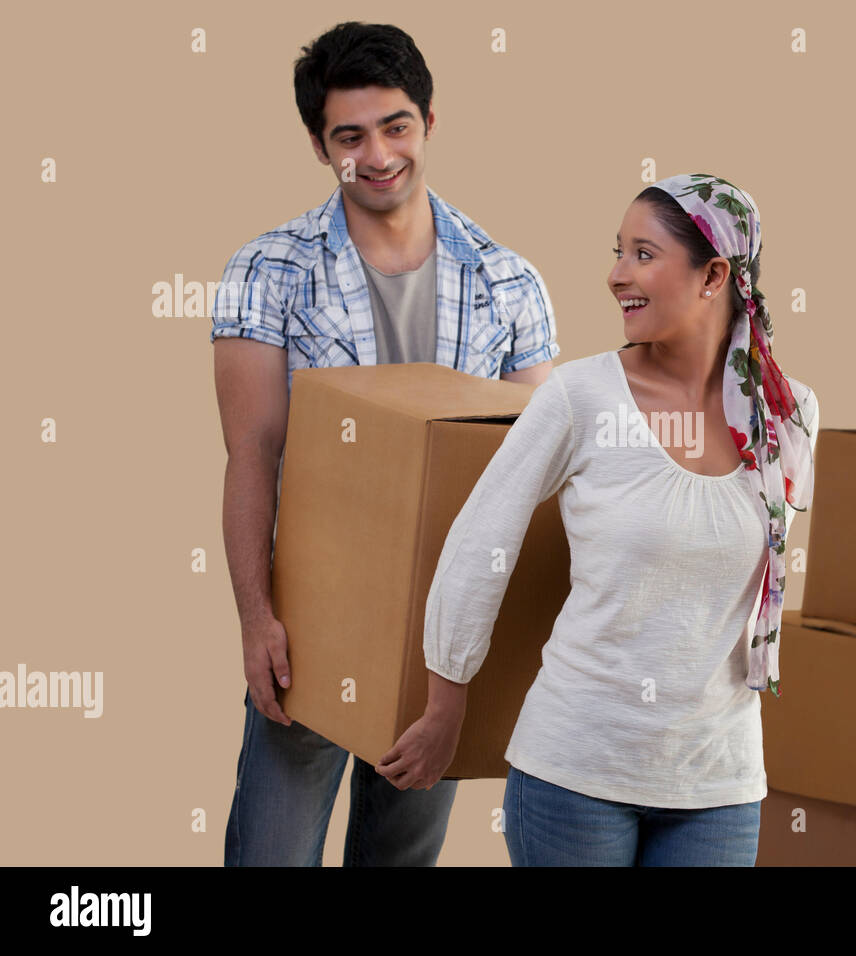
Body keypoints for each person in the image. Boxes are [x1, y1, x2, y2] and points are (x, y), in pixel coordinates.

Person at [375, 173, 820, 866]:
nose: (616, 276)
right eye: (618, 253)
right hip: (574, 775)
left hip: (719, 780)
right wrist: (445, 707)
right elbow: (479, 540)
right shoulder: (581, 397)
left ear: (713, 275)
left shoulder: (788, 415)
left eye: (643, 255)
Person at [210, 21, 560, 866]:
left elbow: (533, 474)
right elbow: (251, 451)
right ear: (319, 145)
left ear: (430, 122)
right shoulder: (268, 270)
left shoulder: (507, 280)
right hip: (313, 615)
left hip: (445, 631)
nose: (377, 154)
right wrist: (256, 618)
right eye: (350, 136)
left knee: (400, 857)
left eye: (396, 126)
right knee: (270, 853)